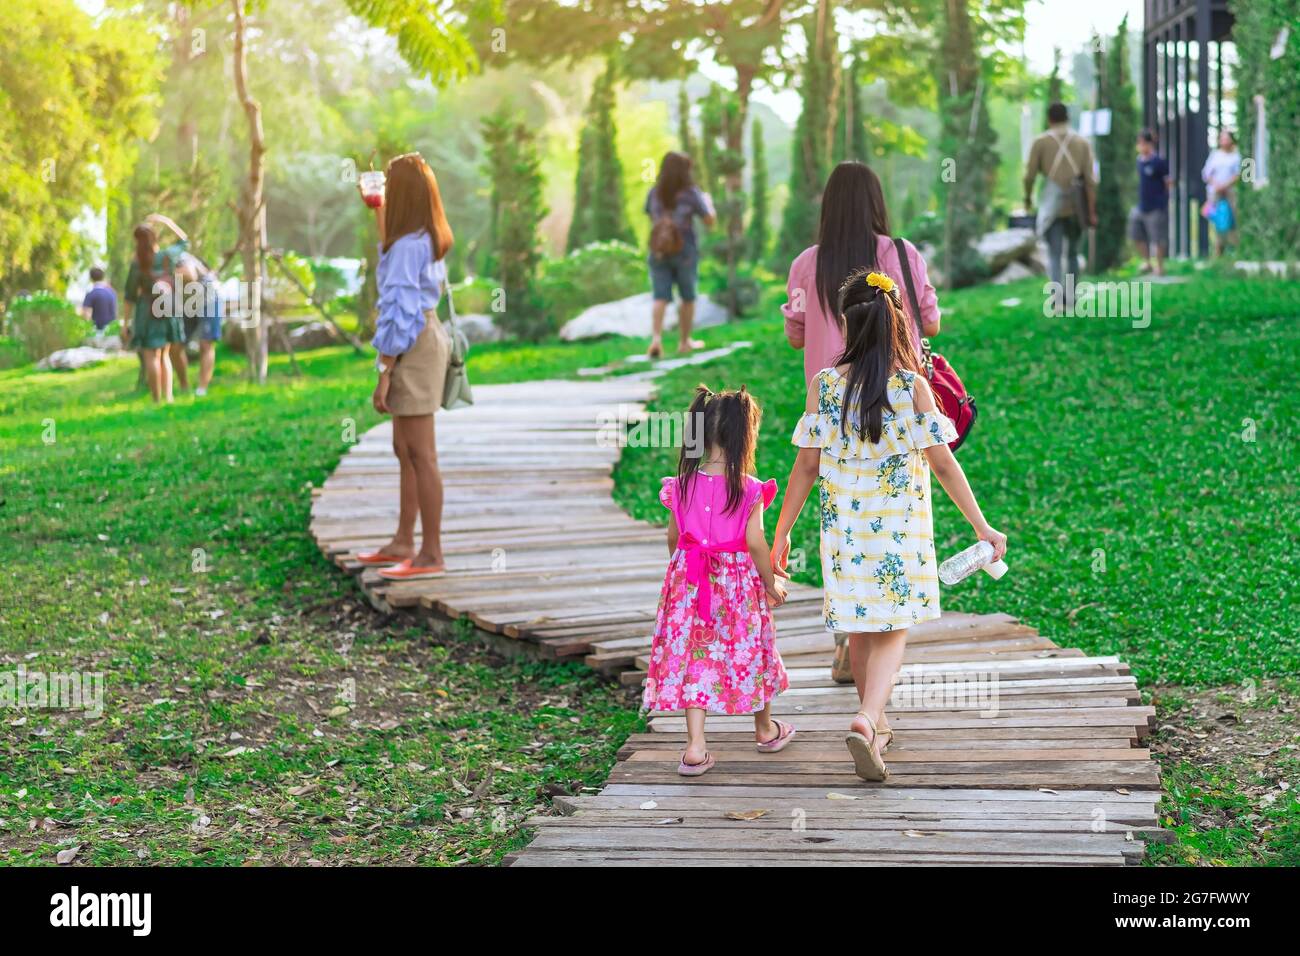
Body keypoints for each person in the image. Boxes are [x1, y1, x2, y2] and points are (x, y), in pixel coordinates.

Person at [771, 269, 1006, 782]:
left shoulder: (824, 387)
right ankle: (865, 717)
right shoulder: (912, 388)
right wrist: (982, 528)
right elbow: (944, 464)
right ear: (895, 323)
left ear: (847, 328)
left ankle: (875, 723)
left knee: (858, 626)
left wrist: (783, 531)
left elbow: (805, 468)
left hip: (843, 533)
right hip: (899, 531)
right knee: (893, 629)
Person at [782, 159, 940, 685]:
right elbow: (931, 320)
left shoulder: (807, 263)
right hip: (894, 402)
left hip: (832, 409)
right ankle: (873, 654)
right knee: (891, 517)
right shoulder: (901, 254)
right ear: (877, 203)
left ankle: (848, 639)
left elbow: (796, 335)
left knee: (843, 519)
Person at [643, 386, 791, 776]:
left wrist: (680, 573)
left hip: (689, 578)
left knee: (694, 656)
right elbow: (755, 542)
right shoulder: (749, 487)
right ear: (745, 436)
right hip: (737, 585)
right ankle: (764, 729)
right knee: (752, 647)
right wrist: (769, 580)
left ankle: (695, 745)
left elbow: (673, 538)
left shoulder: (682, 484)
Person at [353, 153, 454, 582]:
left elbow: (398, 312)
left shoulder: (410, 245)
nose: (386, 194)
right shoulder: (419, 238)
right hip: (423, 338)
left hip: (412, 345)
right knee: (405, 450)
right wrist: (377, 213)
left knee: (421, 454)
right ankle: (402, 541)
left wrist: (384, 372)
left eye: (390, 190)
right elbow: (392, 264)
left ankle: (430, 552)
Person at [1024, 102, 1097, 304]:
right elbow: (1090, 181)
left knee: (1054, 254)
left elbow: (1029, 175)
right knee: (1072, 253)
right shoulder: (1082, 143)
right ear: (1067, 117)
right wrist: (1091, 211)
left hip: (1052, 206)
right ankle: (1071, 298)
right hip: (1076, 206)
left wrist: (1028, 198)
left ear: (1049, 119)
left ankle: (1057, 300)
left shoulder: (1040, 142)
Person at [645, 152, 715, 359]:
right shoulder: (690, 193)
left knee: (660, 297)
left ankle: (656, 339)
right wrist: (708, 202)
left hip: (658, 251)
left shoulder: (654, 193)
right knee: (687, 297)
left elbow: (652, 218)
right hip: (685, 250)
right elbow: (709, 221)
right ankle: (684, 342)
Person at [122, 221, 185, 403]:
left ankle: (156, 399)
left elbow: (129, 296)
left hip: (146, 310)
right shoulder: (167, 256)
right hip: (166, 308)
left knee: (151, 355)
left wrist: (125, 324)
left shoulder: (138, 263)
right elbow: (184, 241)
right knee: (165, 353)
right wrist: (163, 220)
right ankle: (169, 396)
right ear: (155, 237)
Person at [1129, 130, 1172, 276]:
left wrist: (1163, 201)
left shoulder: (1159, 162)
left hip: (1156, 206)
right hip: (1141, 205)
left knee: (1157, 238)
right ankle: (1147, 262)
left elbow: (1168, 182)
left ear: (1149, 144)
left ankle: (1159, 266)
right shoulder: (1138, 161)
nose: (1141, 146)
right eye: (1139, 143)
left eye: (1143, 143)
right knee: (1136, 233)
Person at [1202, 129, 1241, 257]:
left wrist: (1225, 185)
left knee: (1232, 219)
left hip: (1230, 193)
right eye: (1222, 138)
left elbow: (1239, 174)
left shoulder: (1237, 156)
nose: (1224, 141)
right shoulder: (1215, 155)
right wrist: (1216, 185)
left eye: (1226, 138)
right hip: (1215, 193)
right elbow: (1206, 173)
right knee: (1216, 220)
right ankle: (1218, 250)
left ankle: (1234, 248)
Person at [80, 268, 117, 332]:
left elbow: (85, 314)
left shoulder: (91, 294)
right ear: (103, 277)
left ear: (91, 278)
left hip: (97, 331)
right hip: (112, 331)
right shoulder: (112, 292)